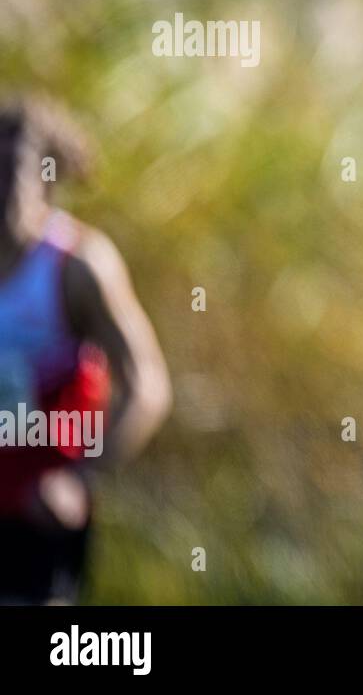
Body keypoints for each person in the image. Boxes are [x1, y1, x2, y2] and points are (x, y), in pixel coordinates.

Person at [0, 96, 171, 604]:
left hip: (37, 517)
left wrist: (77, 479)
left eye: (10, 172)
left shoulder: (77, 266)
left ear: (45, 181)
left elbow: (147, 386)